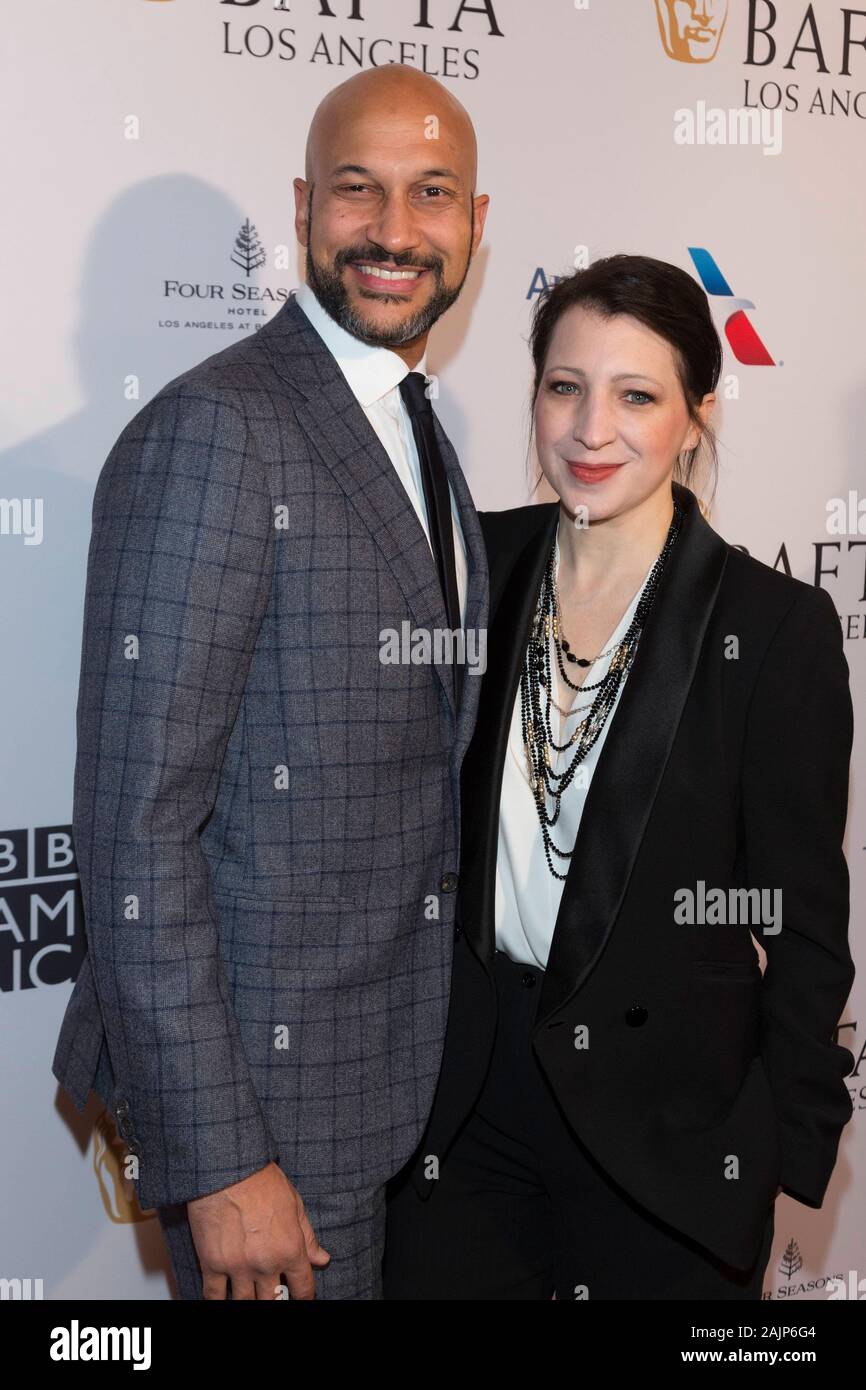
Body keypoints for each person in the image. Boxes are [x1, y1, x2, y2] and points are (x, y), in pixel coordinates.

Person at [51, 63, 490, 1301]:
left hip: (386, 1090)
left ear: (476, 222)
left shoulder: (417, 425)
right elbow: (135, 829)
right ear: (302, 208)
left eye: (431, 195)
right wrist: (221, 1157)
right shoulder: (219, 431)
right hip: (266, 1125)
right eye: (359, 191)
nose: (396, 231)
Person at [383, 254, 856, 1300]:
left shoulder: (770, 630)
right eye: (564, 387)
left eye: (634, 394)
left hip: (664, 1131)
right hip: (460, 1109)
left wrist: (776, 1146)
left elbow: (800, 922)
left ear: (693, 414)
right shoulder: (470, 566)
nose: (589, 428)